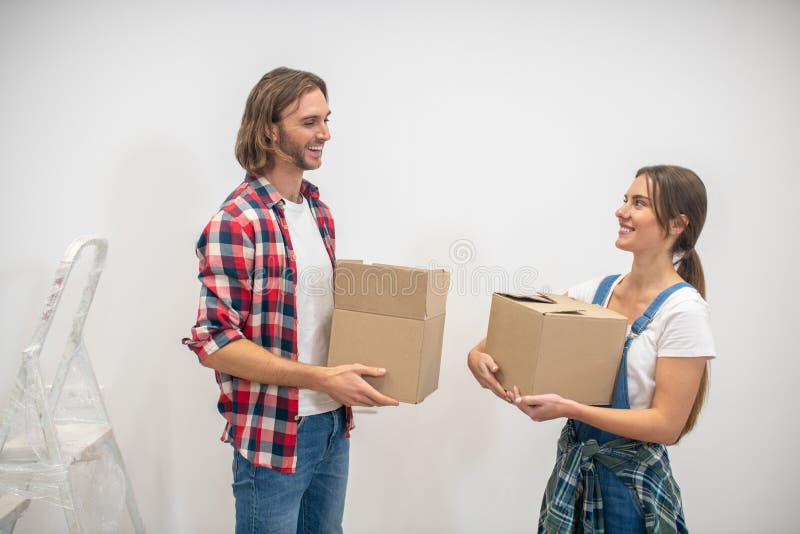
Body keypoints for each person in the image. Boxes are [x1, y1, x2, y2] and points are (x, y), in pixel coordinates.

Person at [183, 67, 398, 534]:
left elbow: (315, 319)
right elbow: (215, 343)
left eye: (326, 119)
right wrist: (320, 378)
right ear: (268, 128)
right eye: (309, 122)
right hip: (276, 435)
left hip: (331, 429)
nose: (325, 133)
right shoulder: (236, 222)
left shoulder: (318, 212)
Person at [468, 165, 715, 533]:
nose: (622, 210)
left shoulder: (683, 312)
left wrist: (569, 409)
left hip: (633, 492)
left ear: (677, 224)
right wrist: (477, 358)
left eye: (639, 203)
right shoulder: (595, 293)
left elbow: (666, 426)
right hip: (573, 480)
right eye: (625, 199)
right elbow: (508, 335)